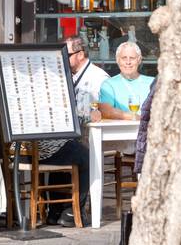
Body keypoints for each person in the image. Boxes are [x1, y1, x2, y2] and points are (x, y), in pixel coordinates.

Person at [36, 35, 111, 226]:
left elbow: (103, 109)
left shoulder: (99, 78)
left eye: (66, 54)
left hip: (82, 135)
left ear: (80, 54)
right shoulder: (59, 75)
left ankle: (67, 209)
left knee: (79, 154)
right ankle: (63, 210)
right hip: (58, 139)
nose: (61, 58)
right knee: (73, 155)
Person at [98, 42, 155, 120]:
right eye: (124, 58)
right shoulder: (108, 84)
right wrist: (133, 117)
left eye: (132, 58)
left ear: (139, 60)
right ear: (117, 60)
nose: (128, 62)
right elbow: (106, 111)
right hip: (122, 131)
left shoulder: (152, 83)